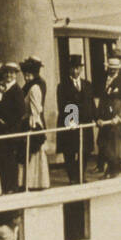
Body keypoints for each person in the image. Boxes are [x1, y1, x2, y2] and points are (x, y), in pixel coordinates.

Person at [57, 54, 96, 183]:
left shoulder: (87, 85)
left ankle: (80, 174)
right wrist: (72, 121)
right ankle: (73, 177)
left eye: (77, 68)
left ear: (81, 69)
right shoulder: (62, 86)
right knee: (70, 151)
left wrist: (96, 118)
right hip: (70, 123)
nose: (75, 71)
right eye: (73, 68)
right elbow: (63, 106)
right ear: (69, 69)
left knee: (85, 150)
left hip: (85, 123)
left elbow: (91, 104)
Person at [0, 64, 29, 193]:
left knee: (10, 159)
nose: (8, 75)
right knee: (2, 158)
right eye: (6, 73)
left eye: (11, 73)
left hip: (11, 130)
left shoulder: (17, 90)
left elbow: (20, 112)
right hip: (1, 130)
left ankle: (12, 186)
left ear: (15, 75)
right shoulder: (4, 89)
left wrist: (6, 121)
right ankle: (5, 185)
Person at [21, 57, 52, 191]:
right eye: (25, 75)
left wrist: (33, 124)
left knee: (33, 150)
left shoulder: (34, 88)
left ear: (34, 74)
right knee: (32, 153)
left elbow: (36, 109)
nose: (26, 77)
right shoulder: (30, 86)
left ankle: (35, 181)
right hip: (30, 119)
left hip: (33, 121)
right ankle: (33, 180)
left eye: (29, 75)